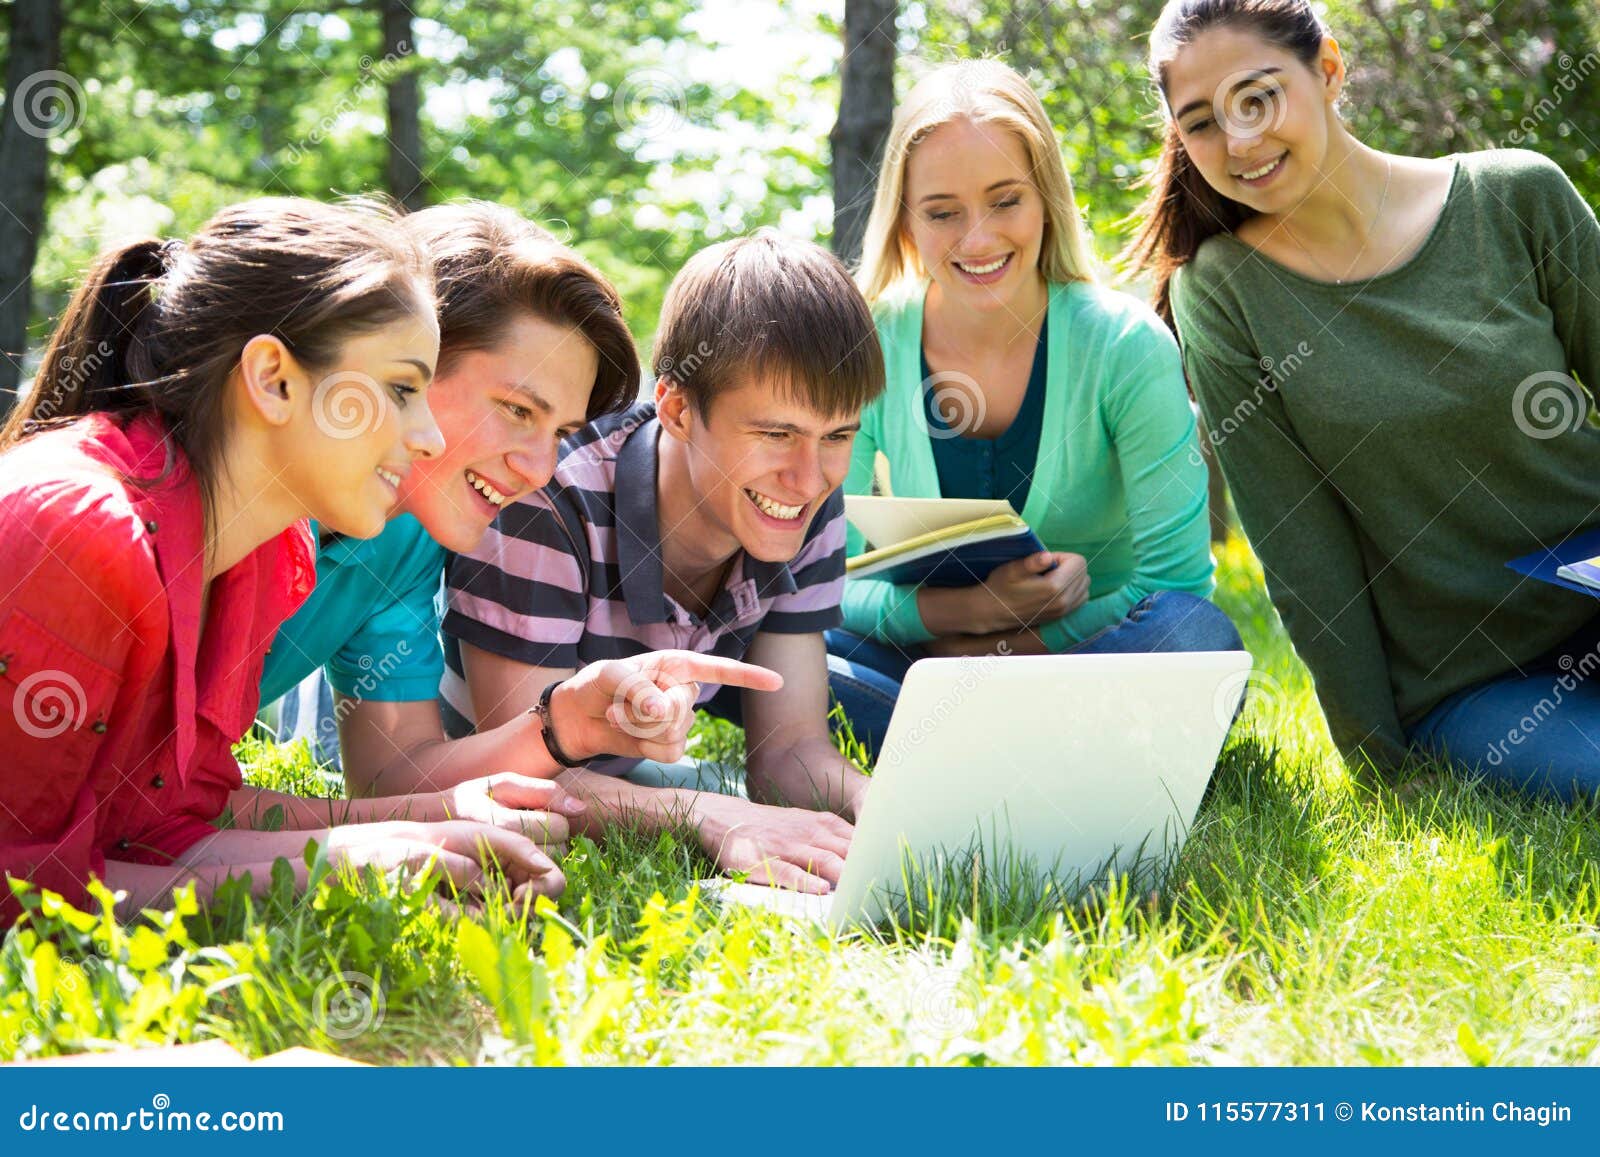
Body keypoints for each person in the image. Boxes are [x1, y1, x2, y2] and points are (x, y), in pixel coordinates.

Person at [0, 199, 561, 925]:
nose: (427, 437)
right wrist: (324, 866)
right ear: (272, 377)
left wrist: (392, 843)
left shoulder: (267, 560)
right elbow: (20, 888)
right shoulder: (80, 531)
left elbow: (154, 828)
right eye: (399, 389)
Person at [1128, 0, 1600, 799]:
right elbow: (1303, 549)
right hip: (1478, 683)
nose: (1238, 142)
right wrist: (1380, 764)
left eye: (1258, 97)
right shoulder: (1224, 295)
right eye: (1201, 122)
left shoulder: (1517, 198)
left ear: (1330, 69)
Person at [257, 200, 779, 807]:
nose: (537, 471)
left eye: (560, 433)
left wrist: (560, 727)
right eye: (516, 410)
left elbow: (390, 776)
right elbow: (152, 809)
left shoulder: (408, 541)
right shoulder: (194, 510)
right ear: (415, 360)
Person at [442, 230, 885, 895]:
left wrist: (875, 802)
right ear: (677, 408)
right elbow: (527, 772)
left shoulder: (807, 502)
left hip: (619, 769)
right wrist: (716, 818)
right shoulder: (547, 498)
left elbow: (788, 747)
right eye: (776, 433)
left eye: (838, 435)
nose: (808, 475)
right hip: (431, 739)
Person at [832, 58, 1244, 754]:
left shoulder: (1124, 345)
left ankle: (956, 750)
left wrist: (1021, 642)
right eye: (942, 212)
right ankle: (1041, 751)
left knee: (1192, 637)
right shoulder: (866, 343)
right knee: (790, 648)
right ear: (904, 220)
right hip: (932, 665)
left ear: (1046, 197)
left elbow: (1177, 584)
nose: (979, 238)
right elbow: (823, 583)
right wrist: (960, 615)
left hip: (1087, 657)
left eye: (1005, 199)